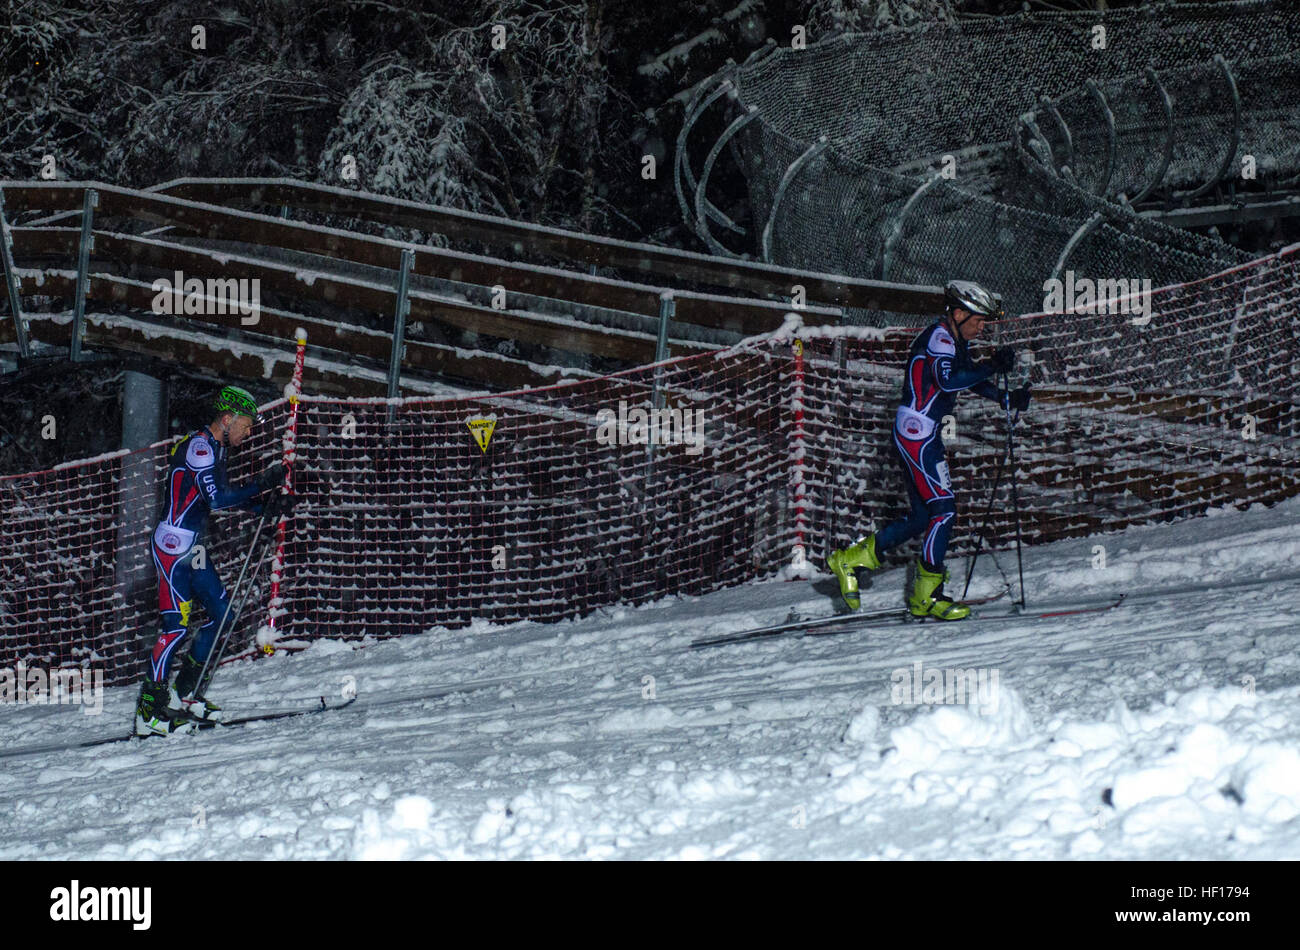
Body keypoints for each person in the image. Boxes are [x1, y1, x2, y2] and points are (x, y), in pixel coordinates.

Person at [827, 280, 1030, 620]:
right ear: (960, 313)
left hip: (919, 432)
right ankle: (927, 596)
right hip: (917, 434)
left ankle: (850, 560)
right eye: (978, 320)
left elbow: (967, 377)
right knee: (945, 511)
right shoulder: (939, 338)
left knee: (925, 515)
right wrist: (992, 365)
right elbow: (947, 380)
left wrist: (1005, 397)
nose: (982, 327)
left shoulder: (952, 338)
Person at [135, 385, 292, 735]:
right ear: (227, 419)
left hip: (193, 547)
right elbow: (218, 499)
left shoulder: (217, 448)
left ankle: (185, 694)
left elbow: (207, 499)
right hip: (173, 548)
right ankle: (149, 710)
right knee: (174, 627)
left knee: (223, 616)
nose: (249, 432)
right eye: (246, 425)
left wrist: (262, 507)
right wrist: (259, 486)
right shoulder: (202, 449)